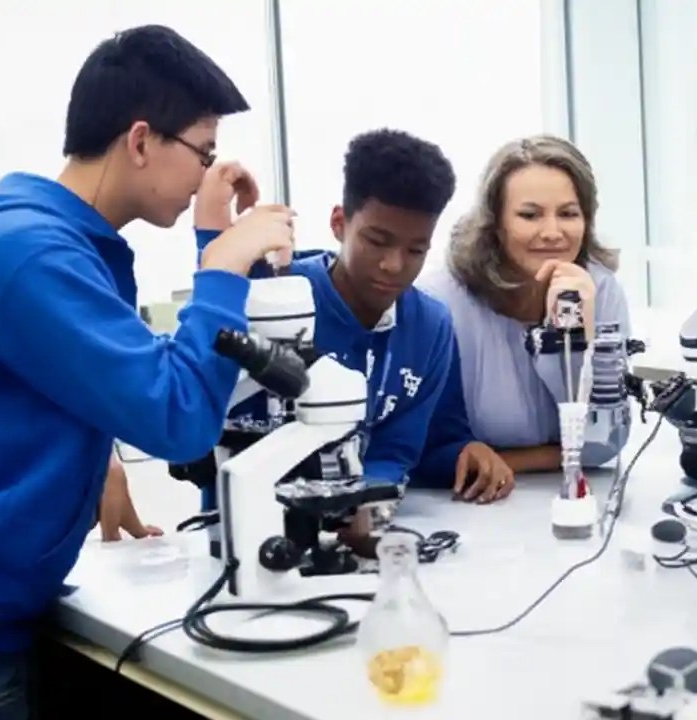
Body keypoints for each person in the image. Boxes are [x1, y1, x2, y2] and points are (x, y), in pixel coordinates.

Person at [0, 24, 293, 719]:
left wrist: (210, 237)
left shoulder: (44, 243)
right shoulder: (31, 254)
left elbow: (83, 381)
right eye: (203, 152)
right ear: (141, 141)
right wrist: (222, 265)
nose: (208, 171)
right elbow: (178, 420)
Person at [190, 128, 510, 515]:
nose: (393, 265)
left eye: (416, 250)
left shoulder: (431, 328)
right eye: (376, 241)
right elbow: (204, 359)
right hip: (242, 524)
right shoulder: (276, 294)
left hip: (354, 535)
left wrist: (364, 509)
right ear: (339, 223)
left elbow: (397, 451)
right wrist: (209, 234)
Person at [417, 135, 631, 500]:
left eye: (568, 213)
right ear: (495, 225)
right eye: (529, 215)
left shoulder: (599, 288)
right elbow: (427, 446)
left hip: (570, 494)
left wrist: (580, 331)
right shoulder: (440, 300)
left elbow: (604, 442)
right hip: (464, 503)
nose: (552, 233)